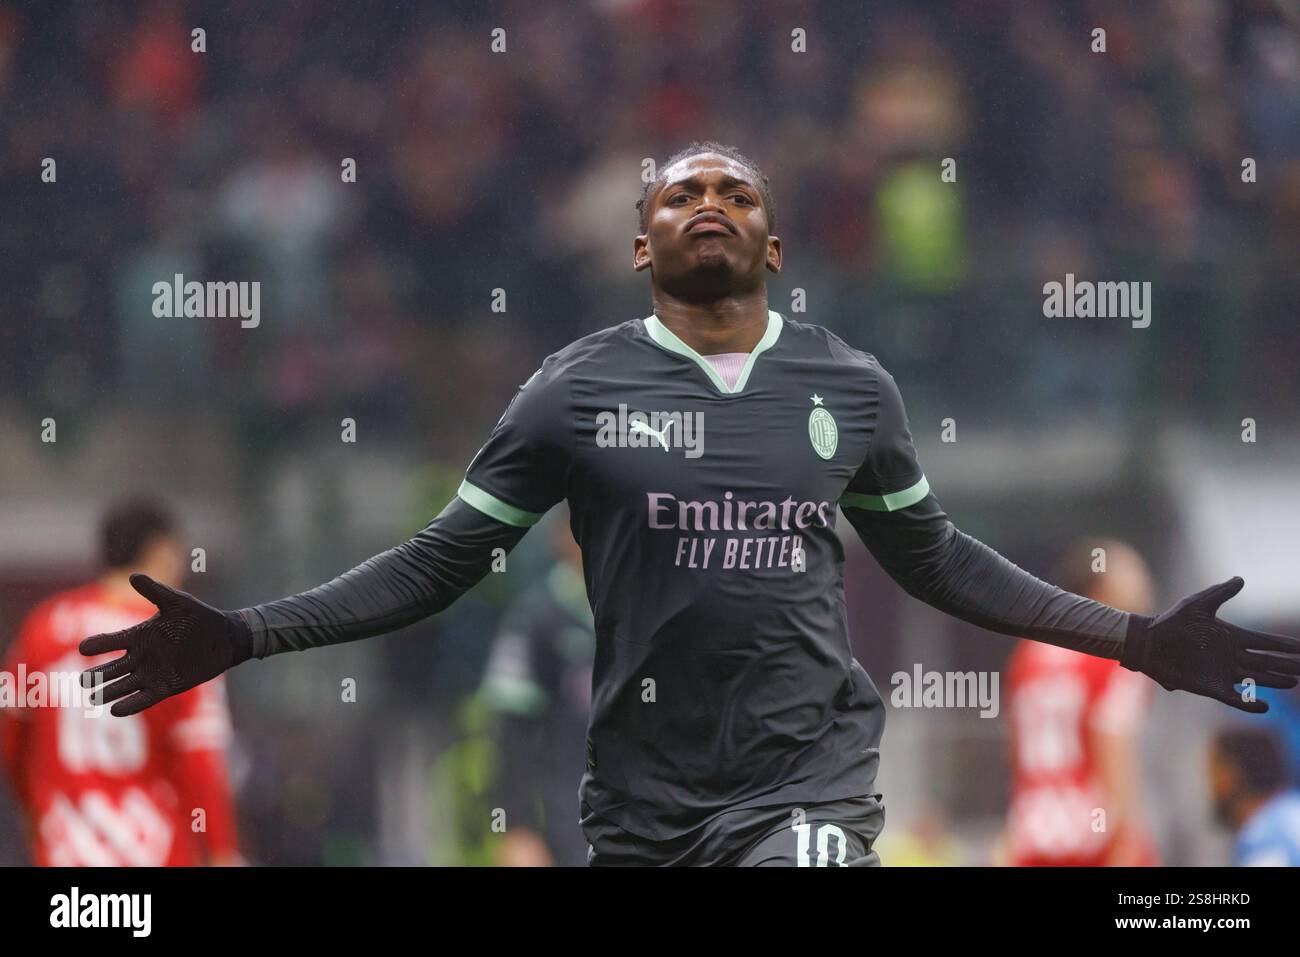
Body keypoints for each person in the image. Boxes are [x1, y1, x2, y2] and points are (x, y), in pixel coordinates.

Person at [79, 142, 1300, 867]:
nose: (707, 199)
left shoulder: (849, 387)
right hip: (643, 806)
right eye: (677, 193)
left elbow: (941, 564)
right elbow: (433, 563)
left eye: (735, 191)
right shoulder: (573, 391)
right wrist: (247, 631)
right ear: (639, 245)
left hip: (806, 776)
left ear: (775, 248)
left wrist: (1135, 640)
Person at [1, 497, 240, 866]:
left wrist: (35, 811)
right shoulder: (182, 638)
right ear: (162, 552)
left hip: (66, 856)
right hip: (155, 852)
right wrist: (223, 852)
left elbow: (10, 737)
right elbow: (201, 760)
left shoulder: (42, 628)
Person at [1004, 540, 1159, 866]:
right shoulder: (1115, 656)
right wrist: (1128, 840)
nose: (1145, 589)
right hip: (1094, 838)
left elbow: (1018, 752)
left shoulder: (1028, 655)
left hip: (1034, 833)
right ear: (1099, 589)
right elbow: (1113, 745)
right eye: (1133, 575)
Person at [479, 509, 593, 866]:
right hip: (565, 830)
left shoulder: (649, 611)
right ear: (561, 537)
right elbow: (512, 735)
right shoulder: (537, 618)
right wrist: (517, 829)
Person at [1208, 726, 1300, 866]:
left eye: (1213, 773)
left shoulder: (1264, 838)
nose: (1210, 787)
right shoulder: (1292, 809)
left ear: (1230, 775)